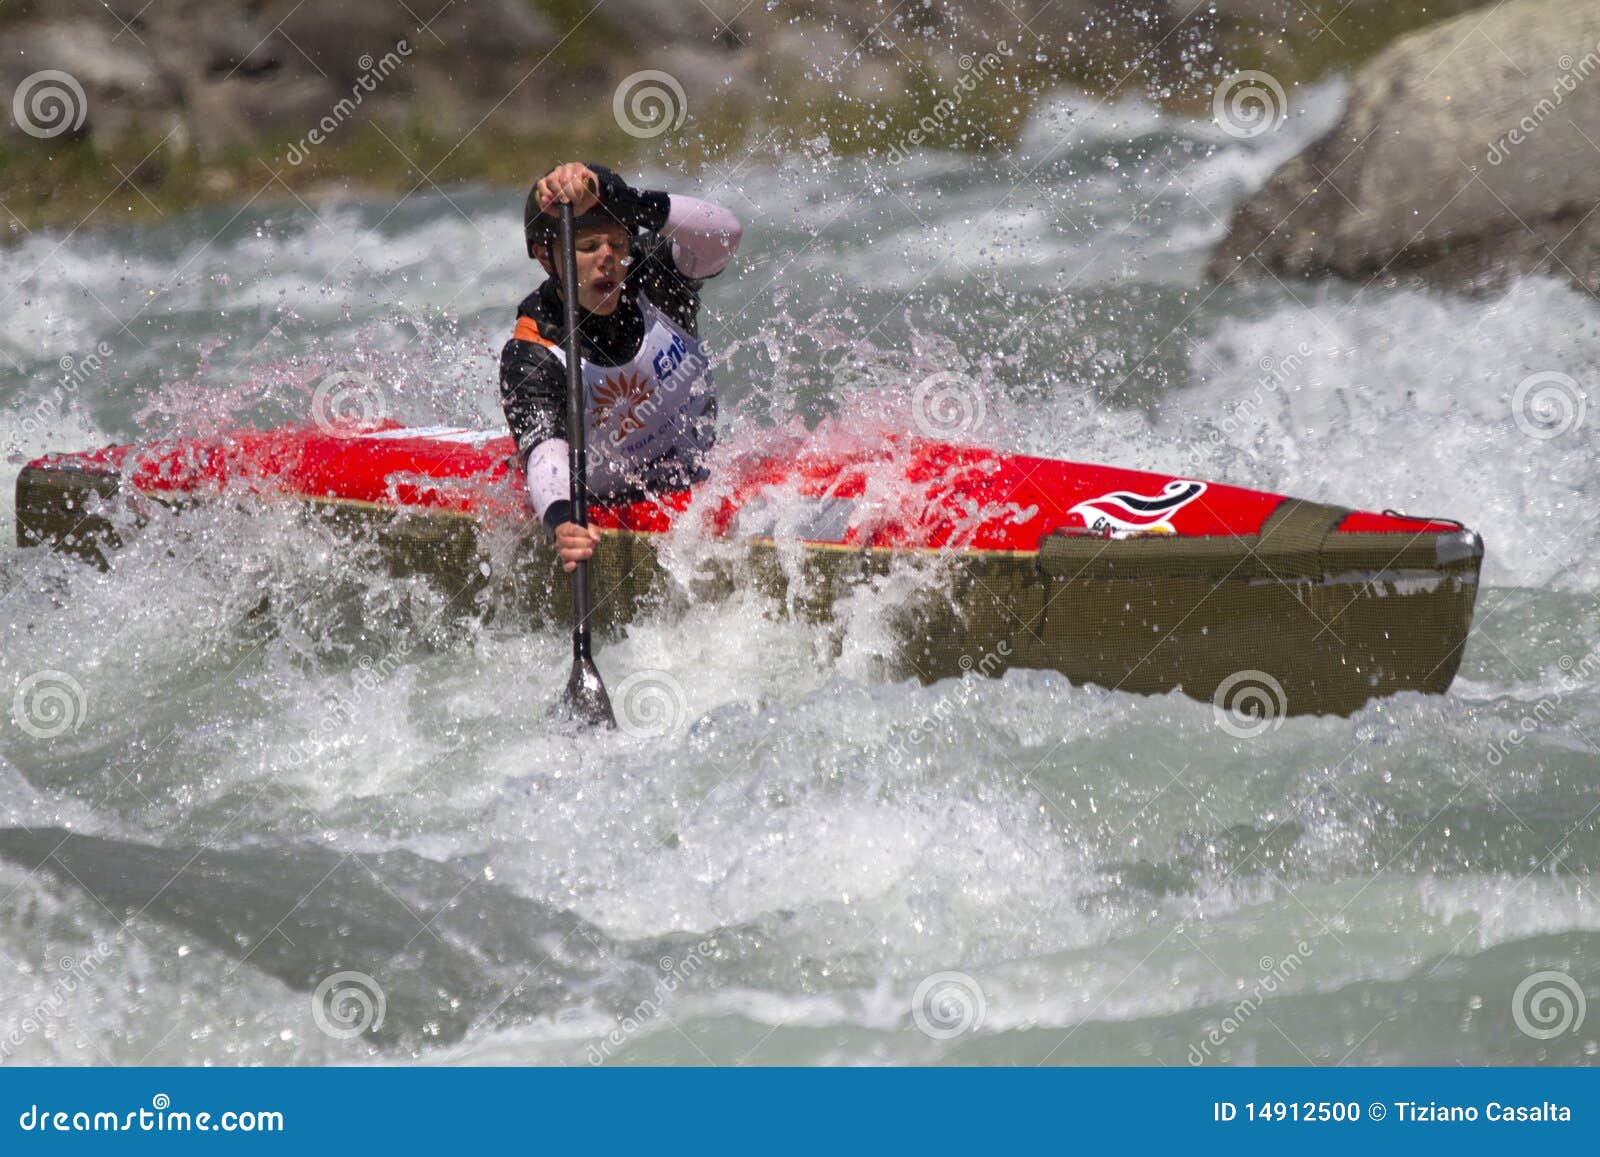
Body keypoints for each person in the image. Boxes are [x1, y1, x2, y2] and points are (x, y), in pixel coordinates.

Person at [501, 162, 742, 572]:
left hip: (695, 475)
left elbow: (725, 235)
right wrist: (561, 519)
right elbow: (545, 449)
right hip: (602, 500)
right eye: (589, 245)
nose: (608, 258)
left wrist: (627, 202)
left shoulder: (655, 278)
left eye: (617, 242)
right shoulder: (533, 350)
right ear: (546, 257)